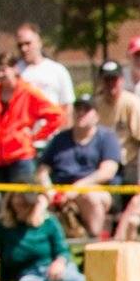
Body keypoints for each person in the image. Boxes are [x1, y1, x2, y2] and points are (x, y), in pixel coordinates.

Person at [38, 93, 121, 240]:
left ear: (96, 115)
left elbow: (107, 171)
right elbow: (43, 170)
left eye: (86, 110)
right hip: (59, 191)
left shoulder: (107, 137)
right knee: (35, 202)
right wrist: (49, 190)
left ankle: (95, 243)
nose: (81, 113)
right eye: (78, 110)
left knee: (90, 197)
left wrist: (76, 188)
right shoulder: (59, 139)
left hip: (95, 189)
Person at [0, 53, 63, 183]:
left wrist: (36, 135)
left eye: (3, 70)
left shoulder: (27, 91)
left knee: (23, 199)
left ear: (14, 69)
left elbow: (56, 115)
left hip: (20, 156)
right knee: (1, 200)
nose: (0, 74)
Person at [0, 189, 84, 281]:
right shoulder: (2, 226)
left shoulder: (48, 221)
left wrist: (59, 263)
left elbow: (62, 250)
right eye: (17, 198)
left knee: (62, 279)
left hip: (51, 268)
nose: (20, 204)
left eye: (25, 204)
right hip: (28, 275)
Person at [13, 23, 74, 120]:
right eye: (20, 45)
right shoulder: (13, 72)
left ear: (39, 42)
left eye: (28, 43)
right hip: (23, 132)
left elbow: (67, 107)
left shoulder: (57, 70)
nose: (24, 49)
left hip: (52, 131)